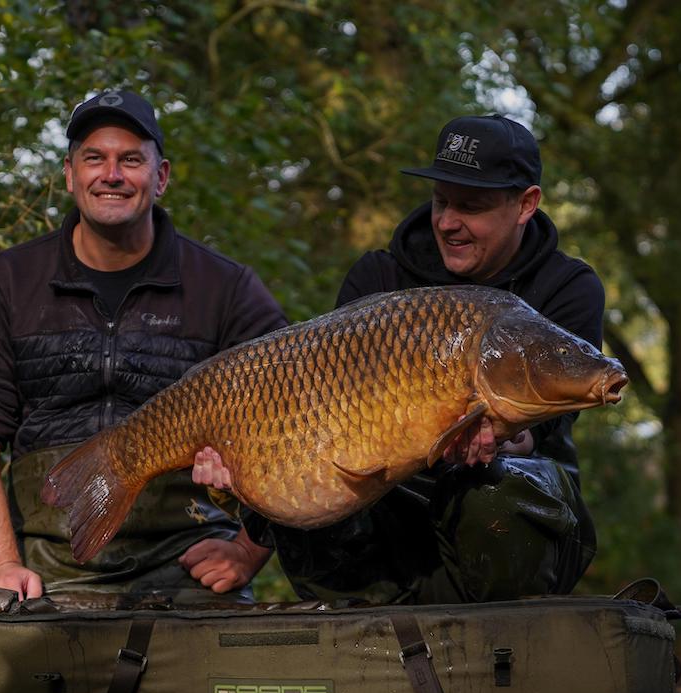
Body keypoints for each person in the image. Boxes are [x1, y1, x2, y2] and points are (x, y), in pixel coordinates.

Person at [194, 113, 605, 604]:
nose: (448, 223)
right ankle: (370, 651)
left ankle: (496, 656)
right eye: (440, 202)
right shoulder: (379, 277)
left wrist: (504, 436)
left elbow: (552, 426)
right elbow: (312, 423)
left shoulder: (567, 287)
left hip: (508, 503)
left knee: (499, 493)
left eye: (471, 207)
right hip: (388, 506)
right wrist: (245, 541)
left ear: (525, 204)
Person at [0, 89, 287, 602]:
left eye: (131, 160)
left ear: (161, 176)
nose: (112, 175)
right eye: (94, 159)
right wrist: (2, 565)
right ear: (69, 174)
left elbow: (299, 422)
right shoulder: (6, 280)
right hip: (49, 565)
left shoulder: (226, 288)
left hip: (189, 563)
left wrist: (248, 550)